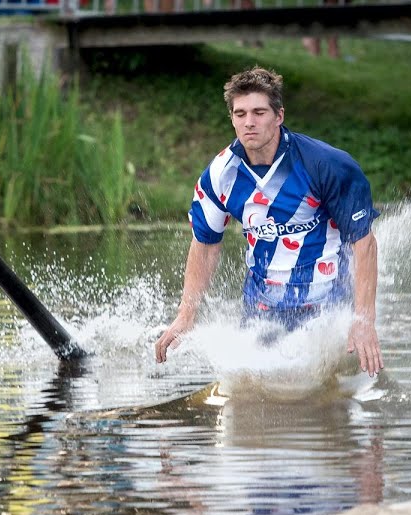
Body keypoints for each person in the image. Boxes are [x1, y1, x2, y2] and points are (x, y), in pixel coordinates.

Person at [153, 66, 384, 378]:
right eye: (240, 113)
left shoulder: (327, 165)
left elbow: (364, 242)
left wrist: (363, 320)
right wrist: (186, 315)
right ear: (232, 119)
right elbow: (205, 246)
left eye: (259, 112)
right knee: (253, 392)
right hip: (262, 307)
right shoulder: (220, 175)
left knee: (327, 396)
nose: (249, 122)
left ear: (279, 116)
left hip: (327, 303)